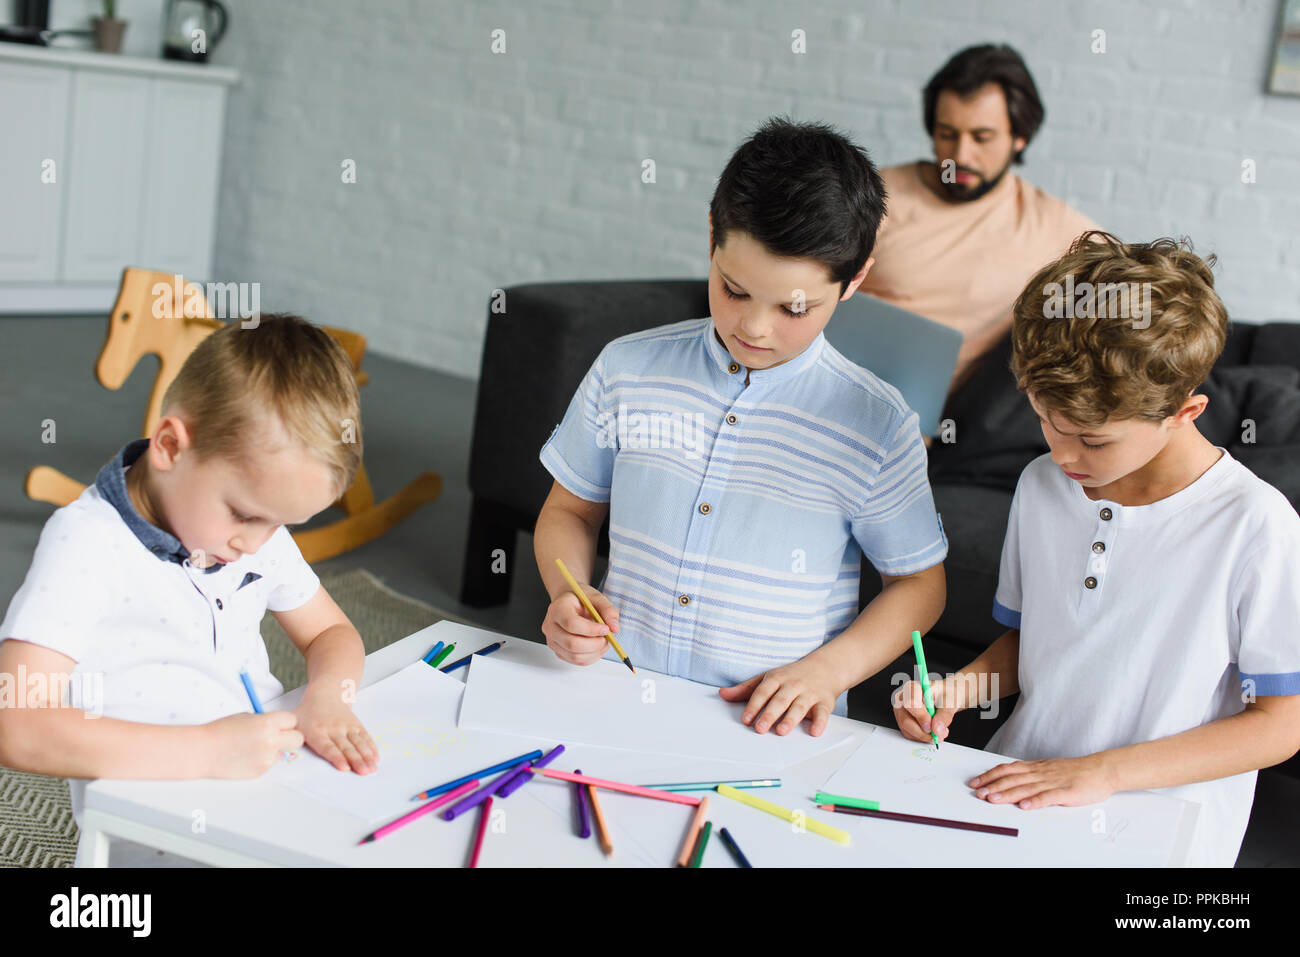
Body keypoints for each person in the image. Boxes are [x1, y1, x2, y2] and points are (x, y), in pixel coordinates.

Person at [893, 233, 1300, 866]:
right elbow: (1034, 643)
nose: (1060, 454)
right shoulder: (1041, 486)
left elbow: (1281, 724)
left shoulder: (1255, 526)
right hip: (1014, 787)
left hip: (1156, 830)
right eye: (1042, 419)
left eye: (1092, 439)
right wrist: (952, 691)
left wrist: (1099, 773)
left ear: (1184, 412)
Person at [535, 118, 948, 738]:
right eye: (733, 290)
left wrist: (827, 673)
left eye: (793, 307)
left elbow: (918, 585)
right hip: (614, 697)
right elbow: (569, 511)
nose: (754, 328)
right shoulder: (627, 367)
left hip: (764, 732)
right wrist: (566, 595)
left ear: (856, 278)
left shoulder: (877, 425)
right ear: (711, 237)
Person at [0, 314, 379, 858]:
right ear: (171, 447)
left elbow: (332, 634)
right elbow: (19, 728)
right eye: (245, 514)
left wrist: (326, 698)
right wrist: (208, 751)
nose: (258, 543)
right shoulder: (87, 544)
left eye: (281, 525)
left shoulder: (254, 533)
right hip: (152, 831)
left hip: (260, 791)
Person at [859, 43, 1100, 390]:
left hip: (955, 425)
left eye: (982, 137)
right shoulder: (875, 193)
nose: (960, 155)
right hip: (844, 391)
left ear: (1019, 138)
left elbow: (1144, 296)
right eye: (947, 134)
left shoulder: (1053, 226)